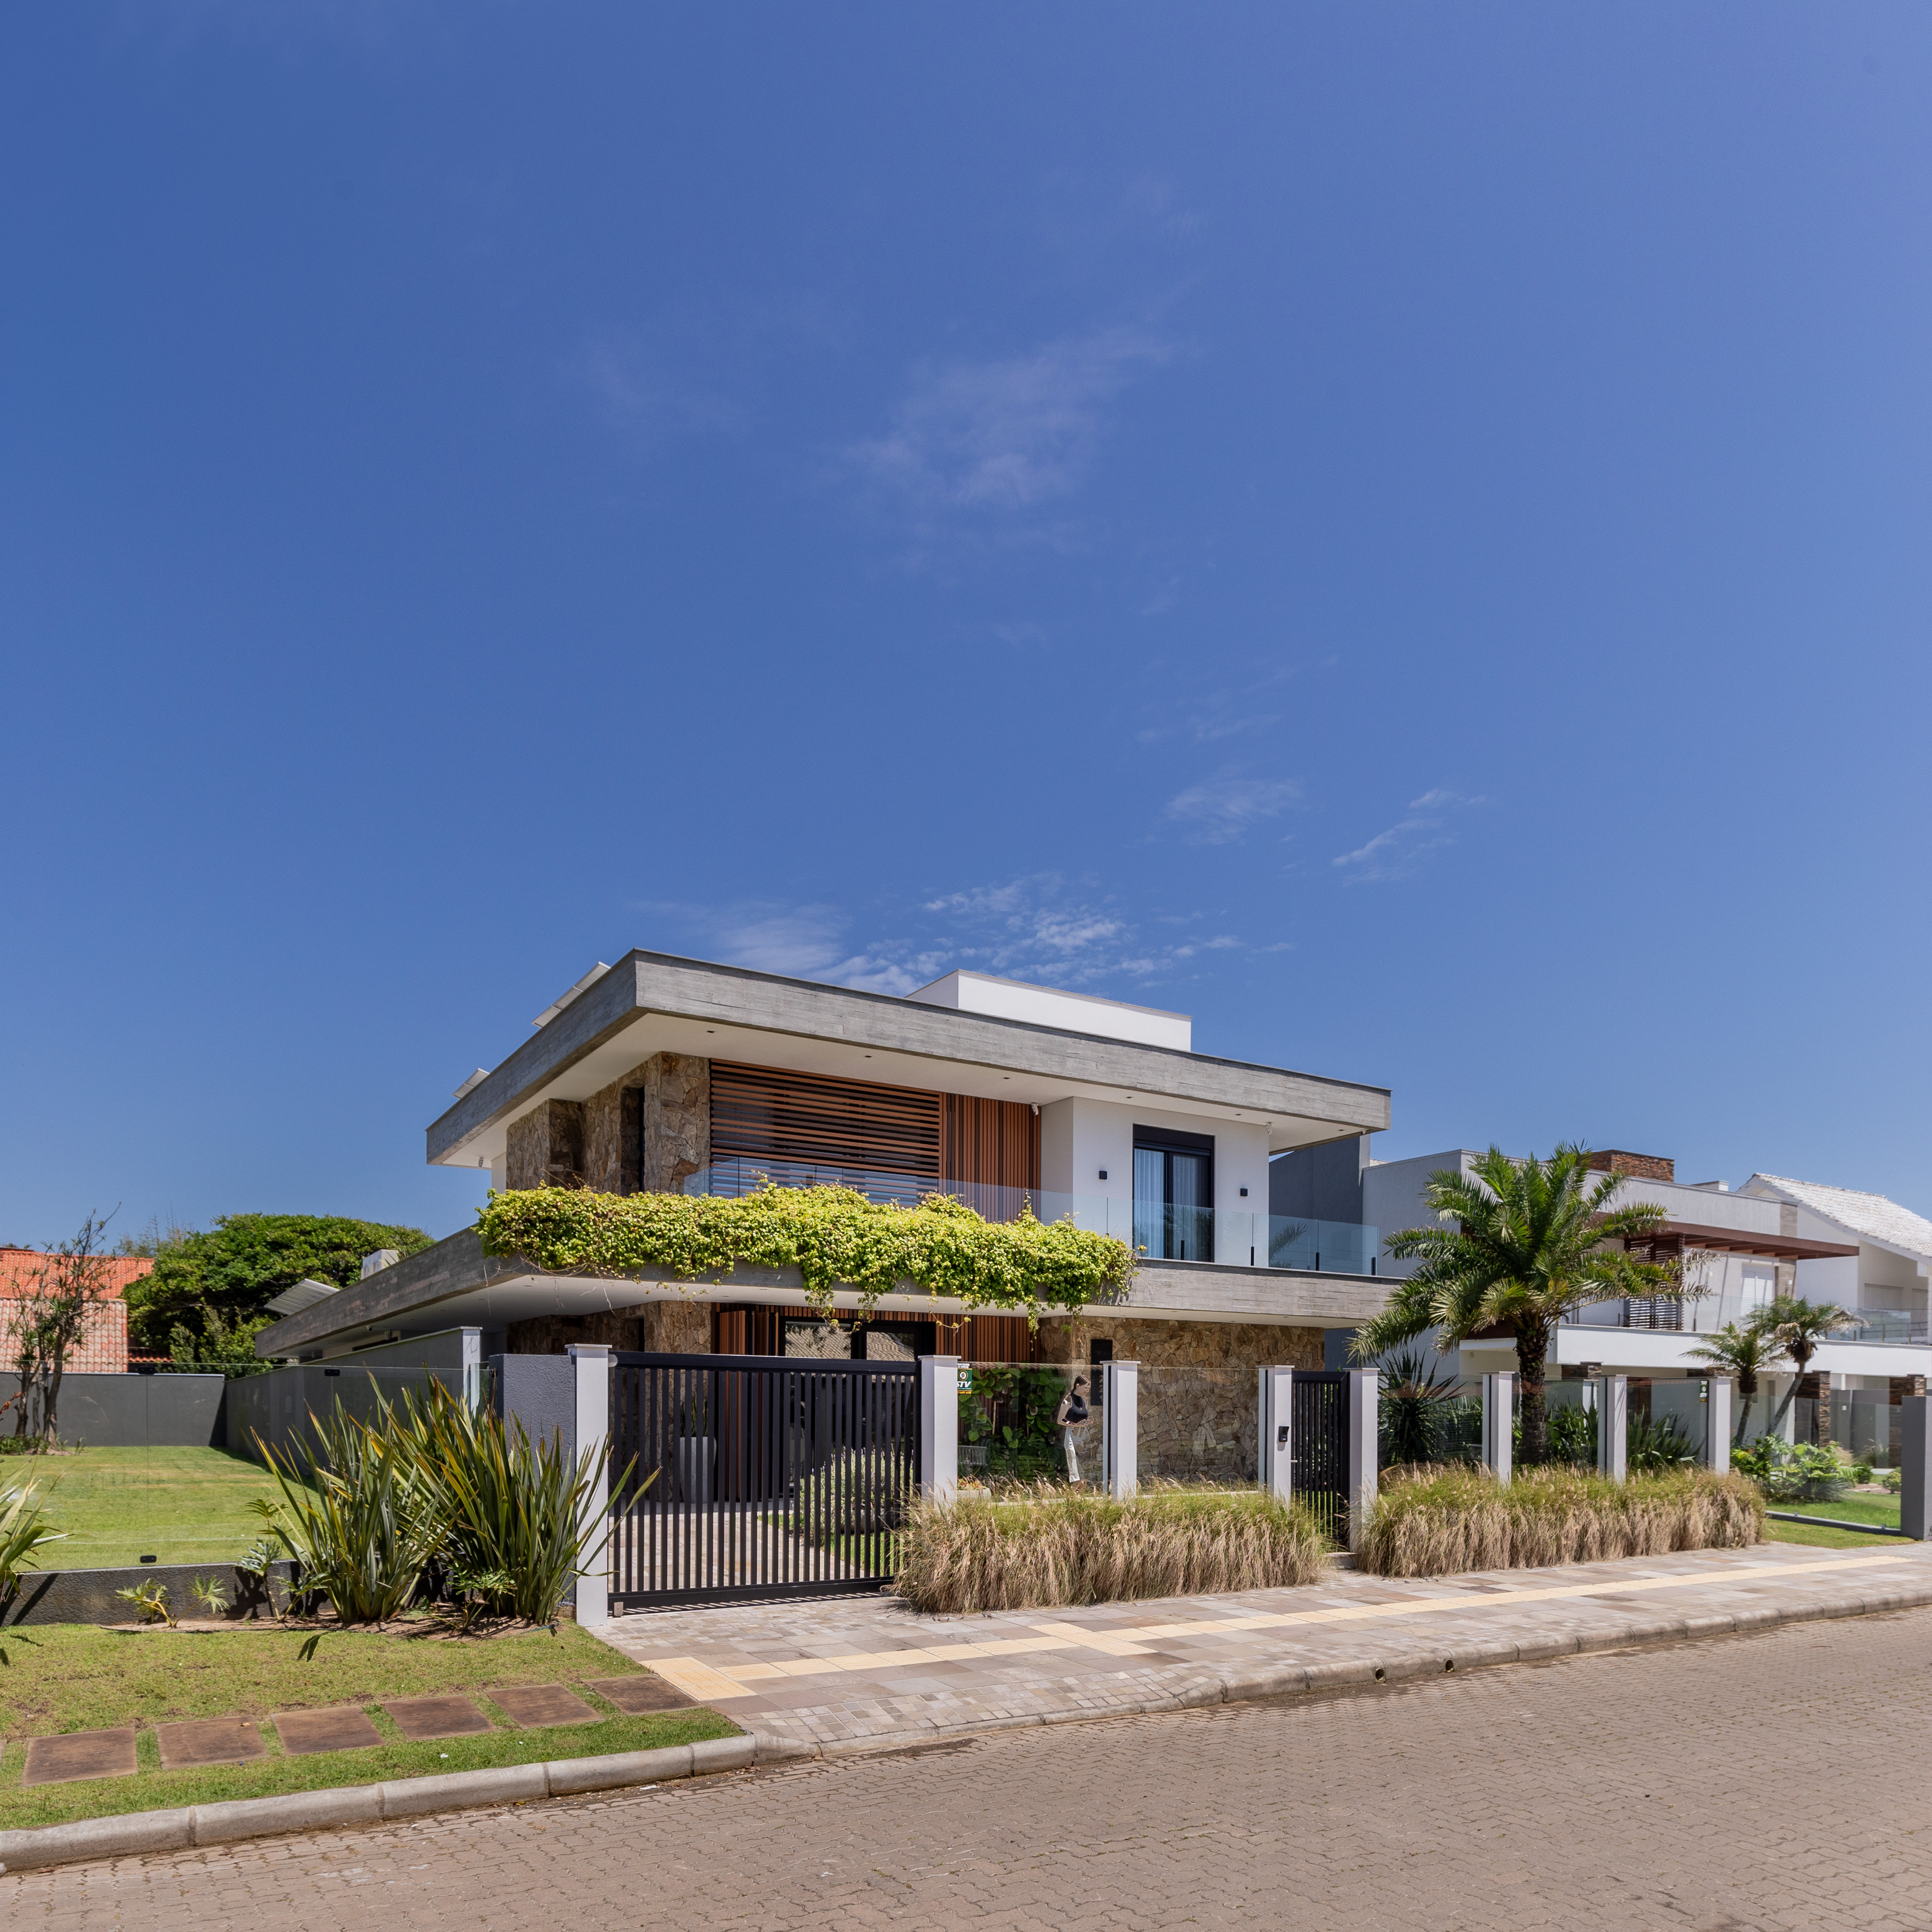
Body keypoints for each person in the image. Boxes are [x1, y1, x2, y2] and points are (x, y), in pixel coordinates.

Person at [1055, 1373, 1090, 1482]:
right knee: (1076, 1475)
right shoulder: (1068, 1400)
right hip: (1072, 1437)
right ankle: (1074, 1495)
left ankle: (1079, 1497)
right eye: (1086, 1388)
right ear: (1078, 1386)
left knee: (1083, 1475)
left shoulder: (1085, 1401)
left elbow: (1082, 1418)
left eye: (1089, 1388)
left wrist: (1087, 1422)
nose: (1087, 1391)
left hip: (1082, 1439)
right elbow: (1061, 1420)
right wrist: (1076, 1424)